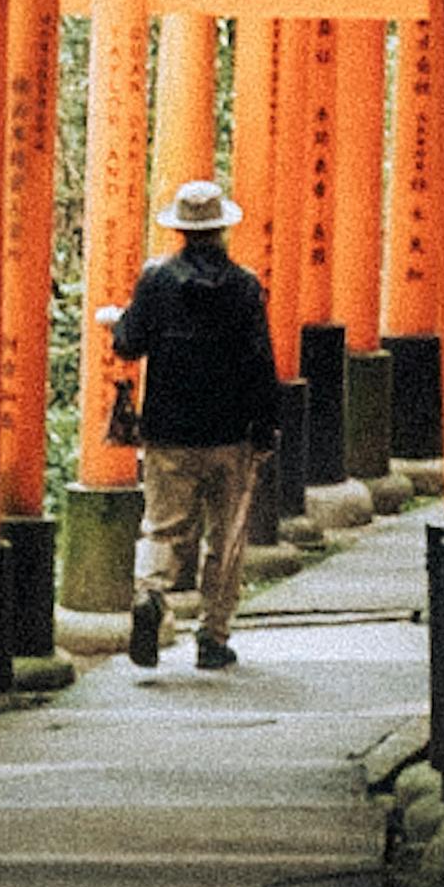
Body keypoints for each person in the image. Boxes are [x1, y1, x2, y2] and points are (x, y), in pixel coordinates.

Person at [102, 175, 284, 673]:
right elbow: (260, 361)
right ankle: (212, 635)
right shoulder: (246, 287)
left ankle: (150, 595)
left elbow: (128, 344)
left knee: (162, 528)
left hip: (169, 433)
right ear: (221, 230)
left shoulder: (156, 280)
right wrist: (267, 424)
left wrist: (119, 321)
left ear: (181, 231)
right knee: (225, 538)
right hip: (231, 433)